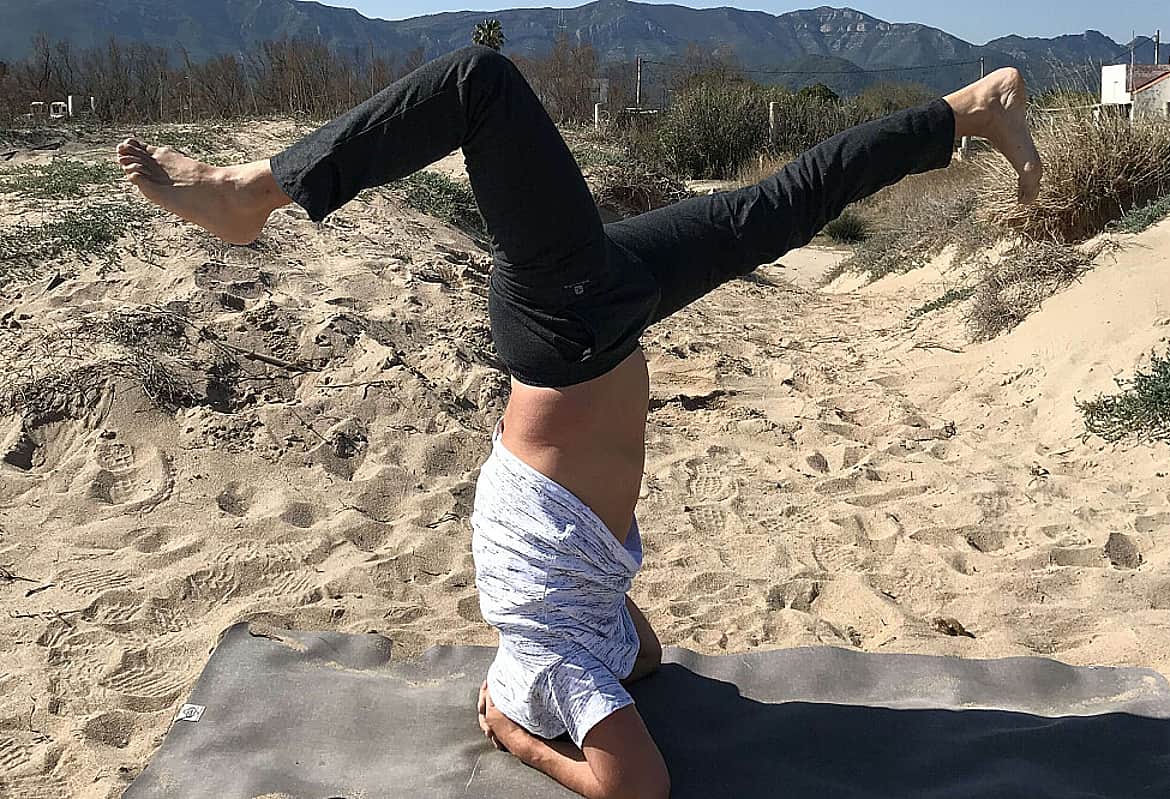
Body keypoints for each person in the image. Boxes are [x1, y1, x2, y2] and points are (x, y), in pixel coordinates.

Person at [116, 46, 1041, 799]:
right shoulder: (585, 632)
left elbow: (631, 779)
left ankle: (249, 194)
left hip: (573, 328)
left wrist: (527, 745)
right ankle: (965, 109)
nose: (620, 680)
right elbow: (643, 663)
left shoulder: (557, 651)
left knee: (482, 86)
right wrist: (579, 681)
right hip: (596, 314)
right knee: (780, 208)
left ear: (547, 692)